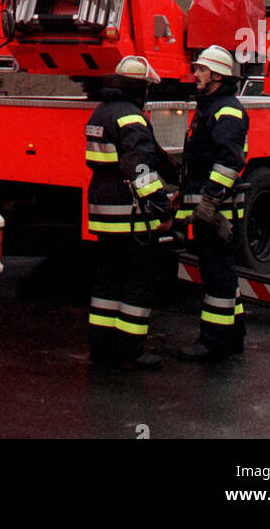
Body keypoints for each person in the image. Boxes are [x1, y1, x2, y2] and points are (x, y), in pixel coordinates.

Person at [85, 56, 174, 369]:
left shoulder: (100, 113)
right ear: (141, 88)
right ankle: (129, 352)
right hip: (129, 216)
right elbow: (141, 173)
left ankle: (101, 350)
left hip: (102, 212)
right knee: (138, 283)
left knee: (106, 283)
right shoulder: (132, 118)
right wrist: (163, 209)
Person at [175, 44, 249, 361]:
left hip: (218, 210)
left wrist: (210, 201)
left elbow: (229, 161)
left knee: (216, 273)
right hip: (211, 206)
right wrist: (183, 191)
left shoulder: (225, 110)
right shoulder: (211, 107)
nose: (196, 74)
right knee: (224, 271)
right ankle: (234, 335)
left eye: (202, 70)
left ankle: (214, 343)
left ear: (217, 76)